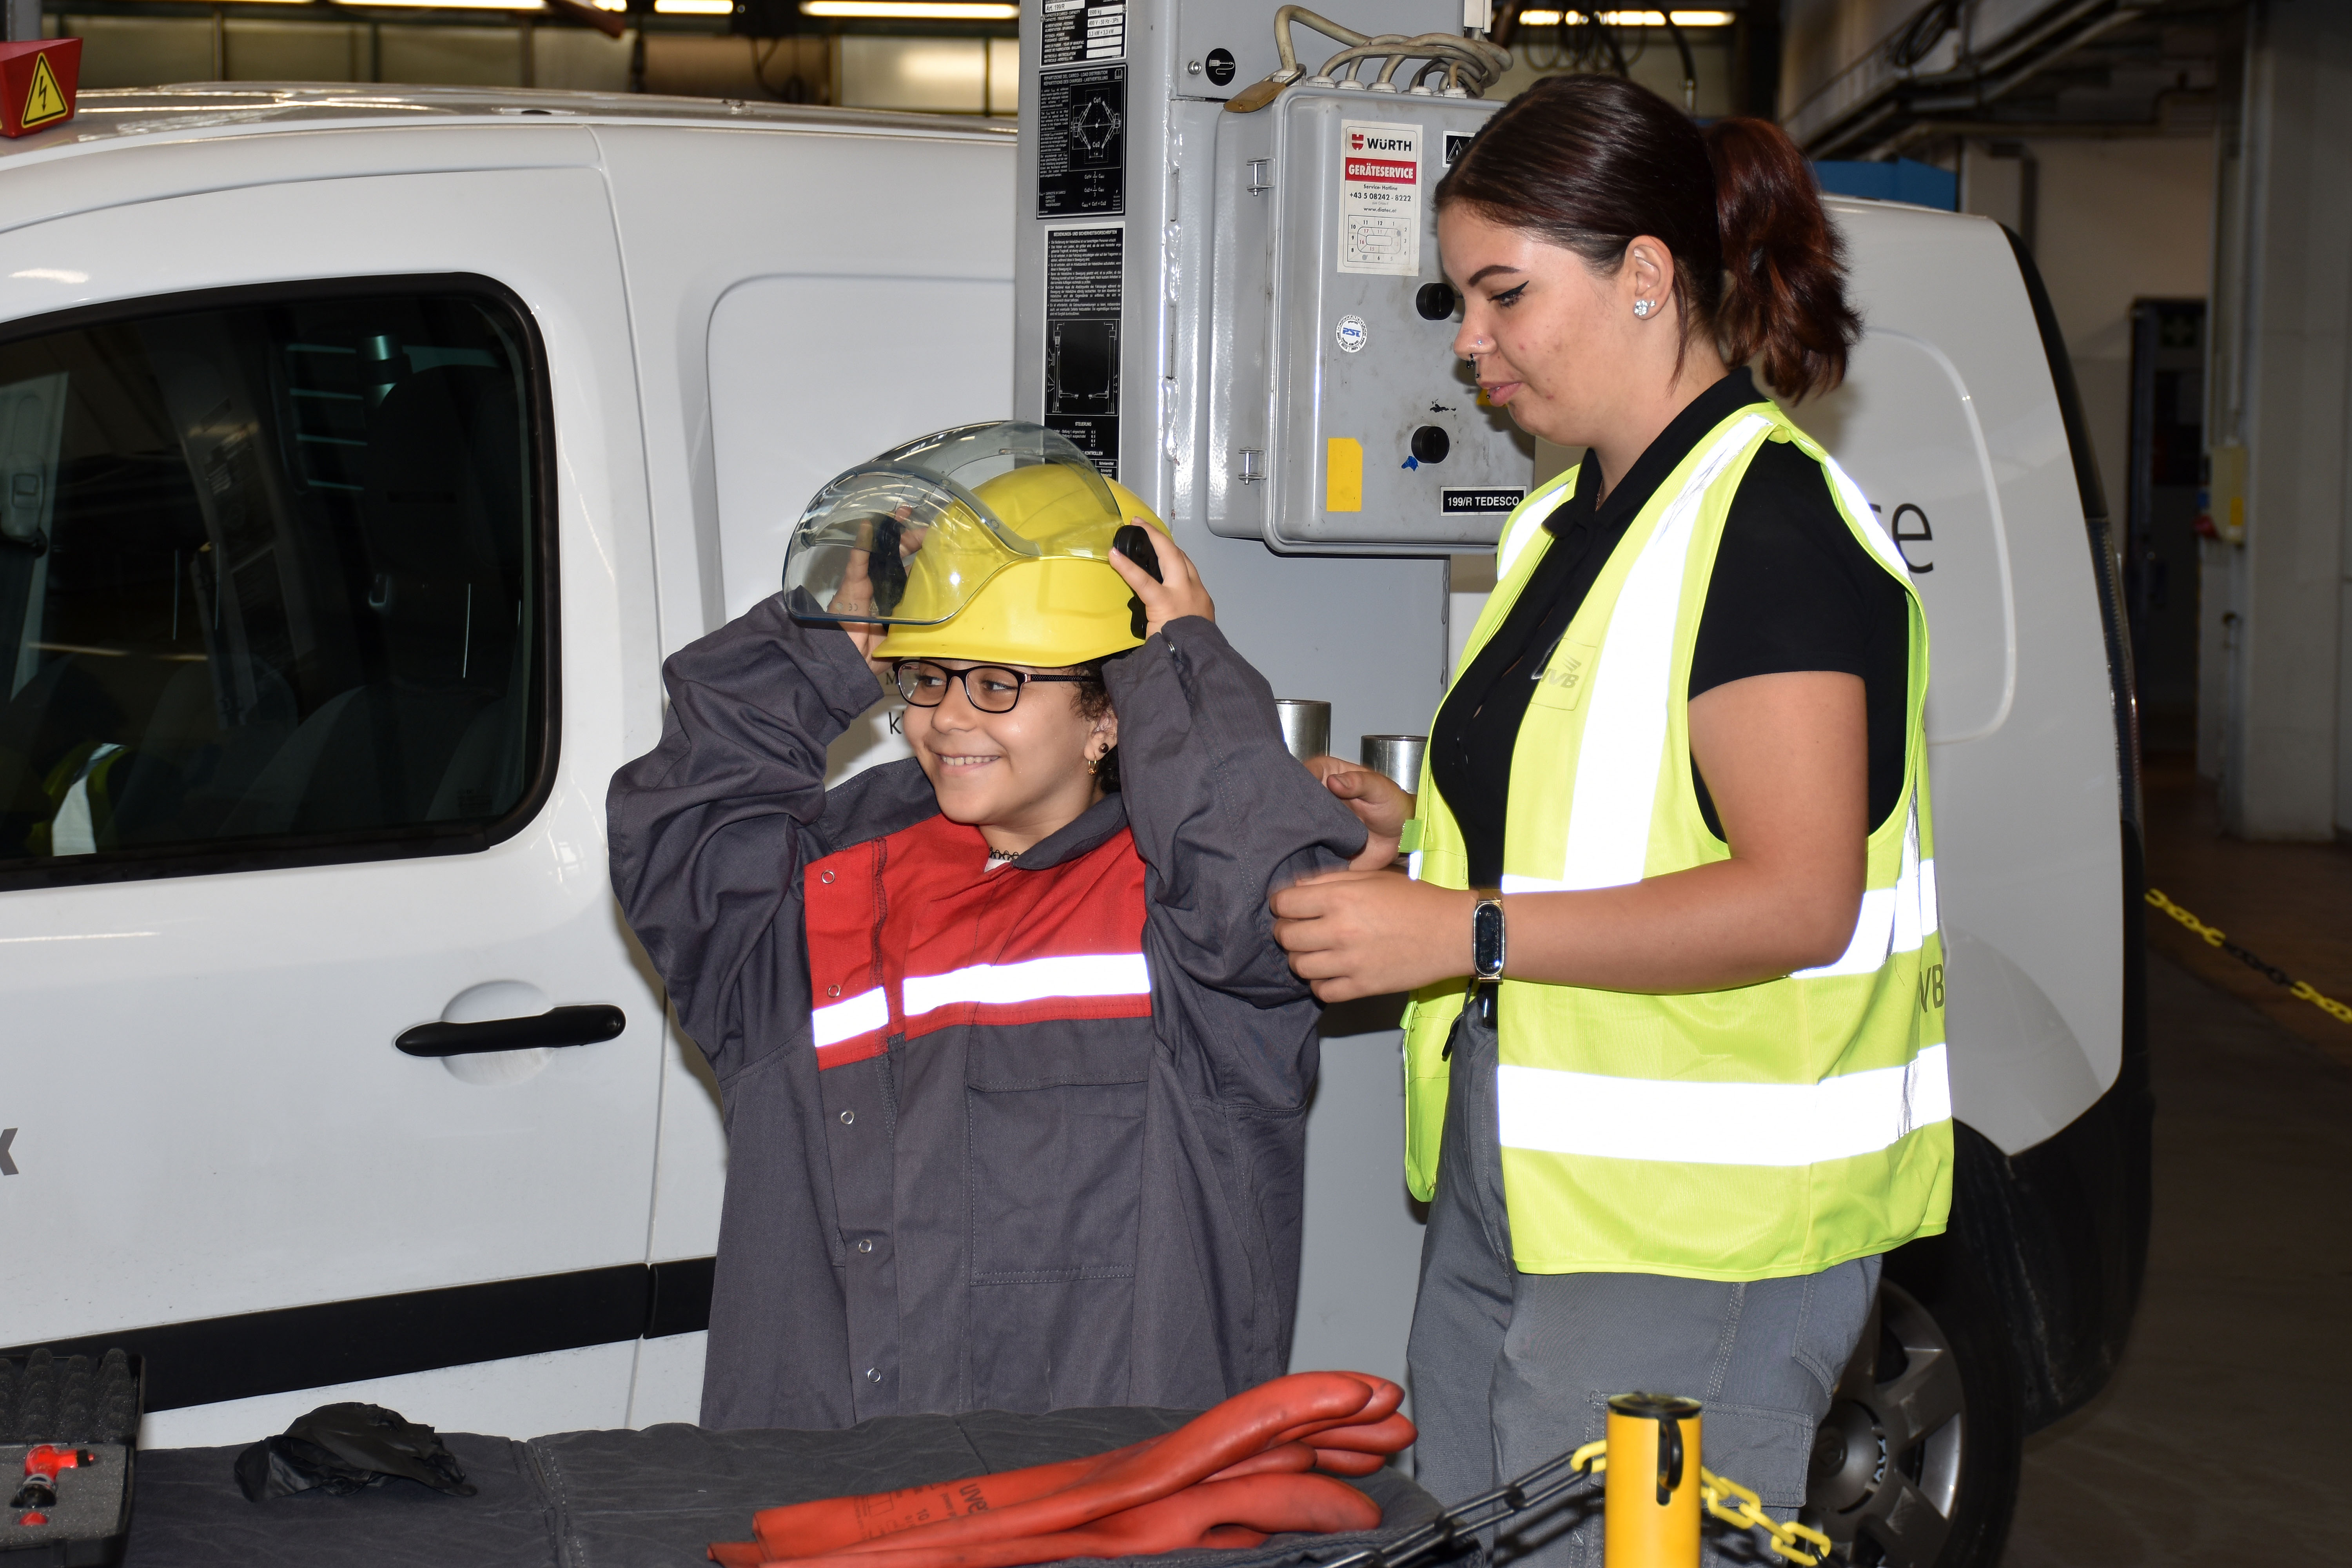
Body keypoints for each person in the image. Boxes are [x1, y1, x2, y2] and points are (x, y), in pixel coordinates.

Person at [1270, 78, 1952, 1560]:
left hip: (1695, 1234)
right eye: (1461, 300)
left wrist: (1461, 927)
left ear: (1646, 274)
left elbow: (1793, 899)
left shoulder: (1765, 529)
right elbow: (1612, 811)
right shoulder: (1569, 521)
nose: (1470, 344)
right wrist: (1421, 842)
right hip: (1524, 1176)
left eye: (1506, 293)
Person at [608, 422, 1365, 1431]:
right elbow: (683, 819)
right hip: (830, 1500)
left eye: (999, 681)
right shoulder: (831, 883)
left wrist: (1179, 662)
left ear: (1108, 712)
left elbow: (1251, 875)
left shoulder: (1180, 910)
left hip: (1103, 1510)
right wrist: (828, 636)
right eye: (928, 675)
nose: (947, 718)